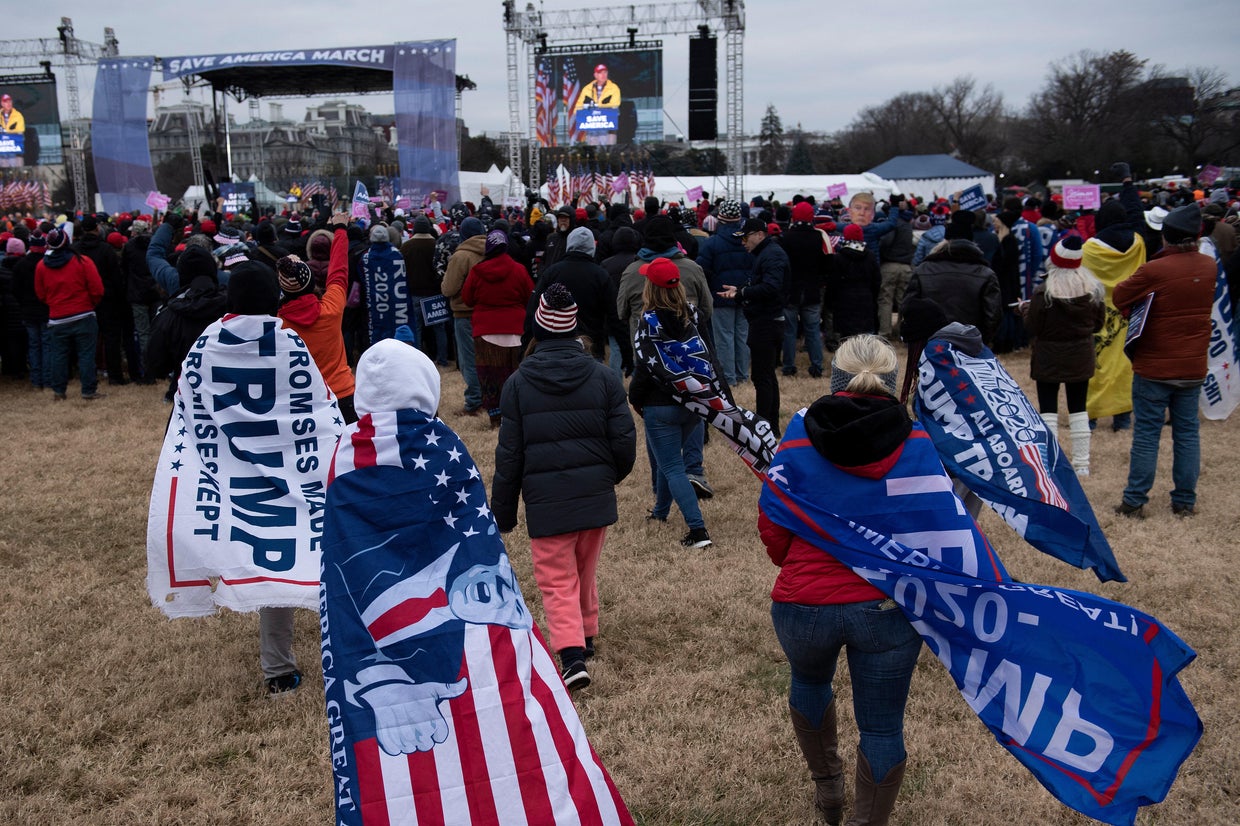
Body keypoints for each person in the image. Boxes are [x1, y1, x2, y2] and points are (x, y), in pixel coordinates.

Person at [758, 335, 926, 826]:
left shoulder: (796, 437)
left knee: (808, 681)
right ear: (893, 384)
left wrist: (796, 562)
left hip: (803, 601)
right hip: (888, 605)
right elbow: (933, 528)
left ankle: (828, 787)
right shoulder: (917, 444)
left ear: (834, 379)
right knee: (882, 726)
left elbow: (773, 520)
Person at [491, 283, 636, 689]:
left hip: (547, 503)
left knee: (557, 578)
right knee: (583, 571)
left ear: (538, 326)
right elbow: (624, 442)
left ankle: (572, 655)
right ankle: (585, 635)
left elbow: (509, 457)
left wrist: (502, 511)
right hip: (592, 497)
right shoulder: (605, 377)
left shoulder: (518, 383)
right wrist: (606, 479)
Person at [1113, 204, 1216, 518]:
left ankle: (1134, 500)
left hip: (1155, 365)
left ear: (1166, 237)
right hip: (1193, 364)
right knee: (1187, 433)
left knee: (1147, 434)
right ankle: (1184, 501)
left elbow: (1120, 296)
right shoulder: (1209, 266)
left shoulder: (1155, 269)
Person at [628, 258, 715, 548]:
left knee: (673, 466)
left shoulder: (648, 321)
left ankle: (698, 531)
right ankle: (660, 512)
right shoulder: (694, 315)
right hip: (693, 403)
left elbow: (644, 368)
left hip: (659, 404)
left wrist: (635, 399)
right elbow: (709, 355)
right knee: (669, 461)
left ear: (650, 288)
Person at [1020, 236, 1105, 476]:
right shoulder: (1092, 291)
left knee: (1048, 412)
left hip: (1048, 357)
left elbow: (1033, 327)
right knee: (1079, 410)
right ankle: (1082, 464)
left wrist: (1024, 310)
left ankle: (1052, 464)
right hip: (1080, 356)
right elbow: (1098, 325)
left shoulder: (1043, 293)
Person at [275, 214, 357, 423]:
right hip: (342, 395)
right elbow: (339, 271)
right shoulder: (331, 309)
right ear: (311, 282)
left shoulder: (278, 325)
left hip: (301, 402)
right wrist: (340, 229)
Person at [718, 217, 787, 436]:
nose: (743, 243)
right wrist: (740, 291)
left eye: (746, 238)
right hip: (764, 321)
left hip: (766, 323)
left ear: (759, 234)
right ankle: (770, 425)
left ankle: (765, 426)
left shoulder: (772, 255)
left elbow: (771, 288)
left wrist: (743, 293)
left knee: (762, 377)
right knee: (765, 375)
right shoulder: (765, 254)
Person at [461, 229, 534, 426]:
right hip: (516, 330)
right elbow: (530, 297)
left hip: (486, 332)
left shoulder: (477, 271)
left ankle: (496, 418)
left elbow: (467, 299)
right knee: (517, 375)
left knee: (490, 378)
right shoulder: (519, 269)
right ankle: (518, 415)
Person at [34, 225, 105, 401]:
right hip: (83, 314)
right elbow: (97, 289)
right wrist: (89, 304)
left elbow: (41, 293)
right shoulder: (82, 261)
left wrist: (55, 304)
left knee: (58, 355)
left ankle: (59, 391)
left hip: (58, 318)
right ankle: (88, 390)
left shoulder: (42, 266)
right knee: (86, 354)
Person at [696, 199, 753, 386]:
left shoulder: (712, 243)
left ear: (720, 219)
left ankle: (728, 378)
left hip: (720, 297)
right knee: (742, 337)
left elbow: (702, 270)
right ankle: (742, 375)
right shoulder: (748, 242)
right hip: (744, 295)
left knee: (724, 338)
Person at [780, 201, 829, 378]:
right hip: (812, 290)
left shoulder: (786, 237)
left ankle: (788, 366)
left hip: (790, 290)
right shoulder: (819, 237)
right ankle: (816, 366)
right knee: (813, 331)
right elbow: (827, 264)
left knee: (789, 331)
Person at [825, 223, 881, 340]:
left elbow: (833, 283)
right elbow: (877, 280)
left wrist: (830, 303)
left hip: (844, 302)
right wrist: (873, 297)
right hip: (866, 300)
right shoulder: (870, 256)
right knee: (866, 340)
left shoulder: (839, 257)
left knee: (847, 340)